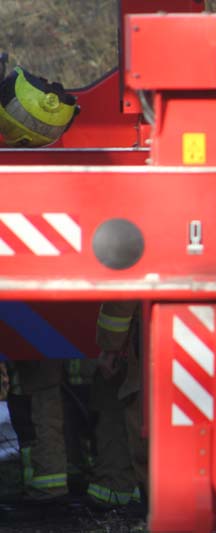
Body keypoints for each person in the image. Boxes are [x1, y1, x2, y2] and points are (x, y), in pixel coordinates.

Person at [93, 133, 216, 531]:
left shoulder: (149, 157)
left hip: (155, 334)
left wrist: (110, 343)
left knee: (160, 459)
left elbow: (130, 258)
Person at [0, 64, 83, 504]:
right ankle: (48, 477)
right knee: (43, 389)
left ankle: (46, 478)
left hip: (26, 291)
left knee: (38, 388)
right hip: (39, 291)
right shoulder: (58, 143)